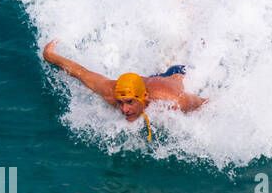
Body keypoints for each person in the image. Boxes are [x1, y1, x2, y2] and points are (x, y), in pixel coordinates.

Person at [40, 40, 207, 141]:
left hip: (178, 74)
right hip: (148, 82)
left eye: (129, 103)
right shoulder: (111, 92)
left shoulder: (173, 101)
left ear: (145, 97)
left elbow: (203, 103)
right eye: (120, 103)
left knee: (189, 56)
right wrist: (49, 55)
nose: (124, 110)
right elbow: (80, 72)